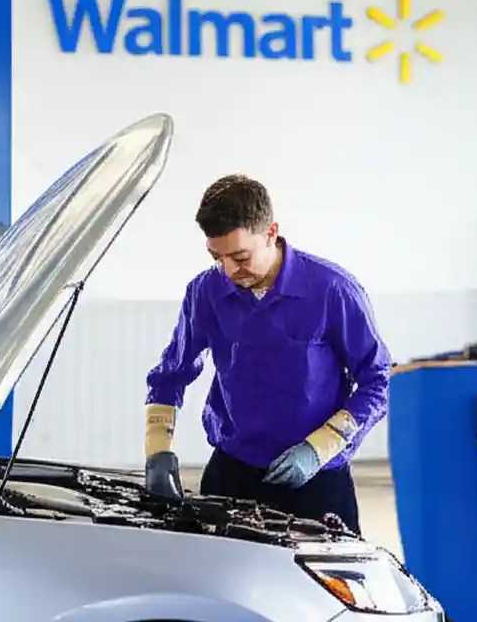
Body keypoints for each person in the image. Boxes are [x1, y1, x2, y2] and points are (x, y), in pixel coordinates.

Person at [141, 174, 391, 534]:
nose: (229, 271)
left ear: (271, 232)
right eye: (217, 257)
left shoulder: (332, 290)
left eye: (240, 256)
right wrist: (157, 451)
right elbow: (170, 376)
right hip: (233, 473)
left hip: (317, 478)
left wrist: (319, 448)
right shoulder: (205, 292)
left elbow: (377, 381)